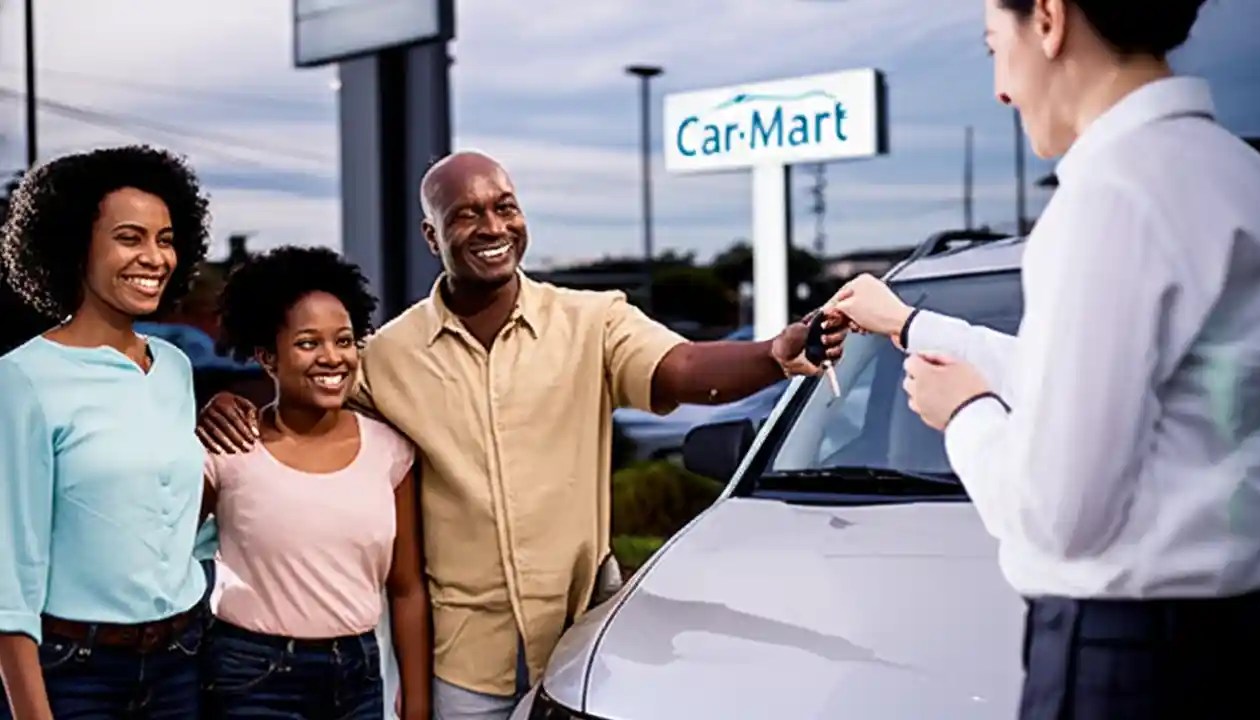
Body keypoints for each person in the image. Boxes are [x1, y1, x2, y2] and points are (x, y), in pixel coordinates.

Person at [198, 150, 850, 719]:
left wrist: (772, 353)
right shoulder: (390, 354)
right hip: (463, 665)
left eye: (504, 206)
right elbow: (313, 390)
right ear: (432, 236)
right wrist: (231, 400)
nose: (492, 226)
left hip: (580, 645)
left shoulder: (593, 321)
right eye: (466, 214)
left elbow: (679, 369)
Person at [832, 0, 1260, 717]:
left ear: (1047, 18)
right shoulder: (1245, 179)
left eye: (991, 48)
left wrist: (967, 415)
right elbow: (1117, 383)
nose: (1000, 89)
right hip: (1237, 639)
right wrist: (913, 325)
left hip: (1128, 661)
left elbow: (1060, 516)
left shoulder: (1112, 198)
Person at [0, 146, 212, 719]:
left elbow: (169, 520)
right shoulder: (22, 379)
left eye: (165, 239)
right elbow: (8, 581)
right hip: (76, 673)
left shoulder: (174, 367)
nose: (154, 257)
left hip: (182, 660)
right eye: (129, 237)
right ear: (75, 246)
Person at [199, 245, 431, 719]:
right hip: (251, 677)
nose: (332, 358)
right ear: (267, 357)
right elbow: (165, 559)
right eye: (308, 343)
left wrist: (417, 703)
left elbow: (406, 589)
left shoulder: (391, 451)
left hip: (358, 676)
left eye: (344, 340)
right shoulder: (228, 450)